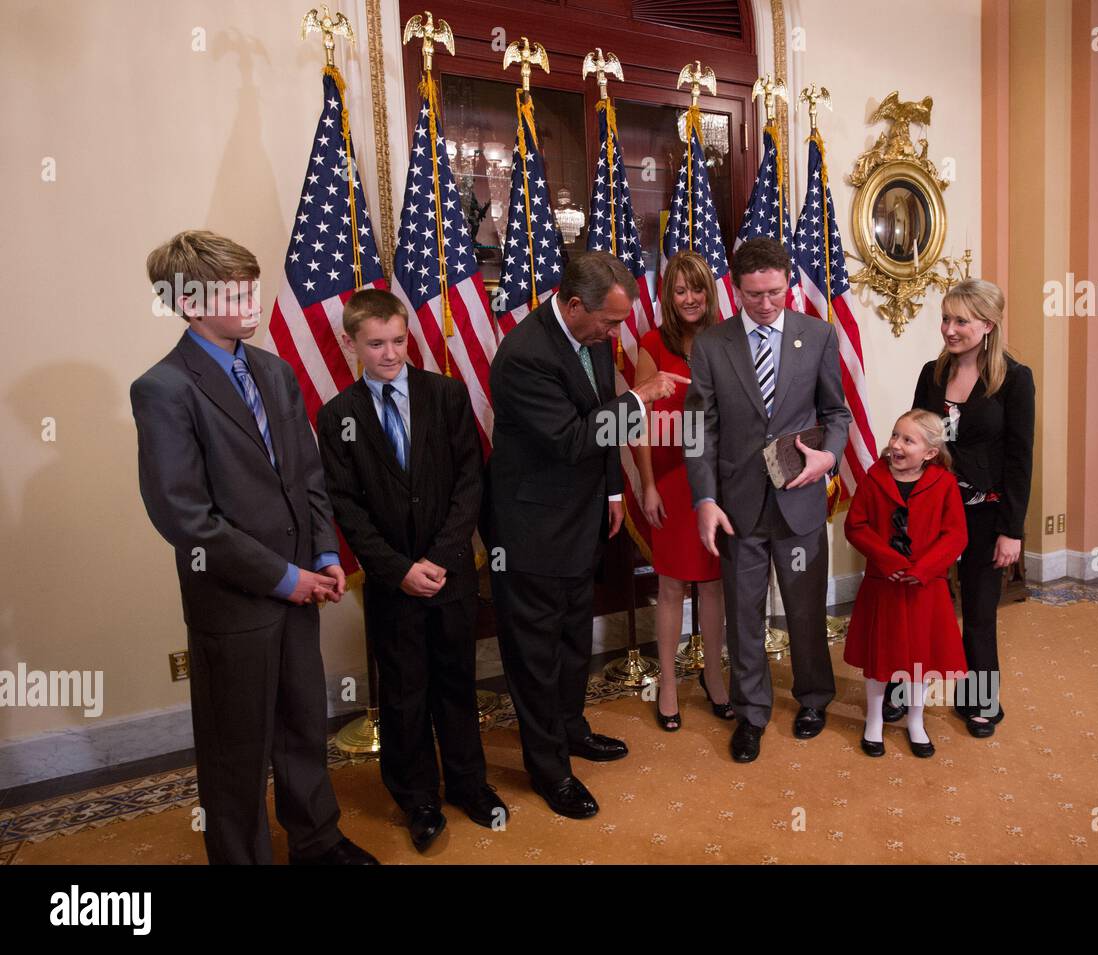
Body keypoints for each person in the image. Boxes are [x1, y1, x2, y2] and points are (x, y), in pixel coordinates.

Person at [130, 230, 376, 865]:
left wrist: (324, 556)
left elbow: (307, 475)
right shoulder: (163, 389)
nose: (252, 300)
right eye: (233, 291)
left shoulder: (273, 368)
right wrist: (281, 577)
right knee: (235, 748)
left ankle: (318, 843)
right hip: (235, 602)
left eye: (252, 284)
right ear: (187, 303)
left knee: (303, 728)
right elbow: (184, 516)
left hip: (301, 584)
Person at [484, 251, 685, 818]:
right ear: (575, 305)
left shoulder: (590, 335)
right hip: (531, 531)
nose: (616, 333)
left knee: (574, 642)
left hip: (584, 519)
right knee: (537, 657)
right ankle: (549, 770)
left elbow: (598, 421)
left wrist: (613, 493)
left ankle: (572, 730)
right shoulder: (523, 355)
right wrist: (639, 399)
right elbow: (573, 438)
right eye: (611, 322)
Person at [316, 289, 505, 853]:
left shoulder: (445, 396)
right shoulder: (339, 417)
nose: (390, 353)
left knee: (456, 683)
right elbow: (345, 504)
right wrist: (398, 570)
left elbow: (469, 481)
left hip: (449, 575)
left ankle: (470, 783)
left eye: (398, 340)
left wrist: (441, 558)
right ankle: (417, 797)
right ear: (351, 344)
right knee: (403, 693)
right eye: (376, 344)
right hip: (391, 583)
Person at [685, 236, 851, 763]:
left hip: (798, 497)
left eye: (775, 292)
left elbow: (837, 414)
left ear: (790, 285)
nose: (766, 304)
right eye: (754, 295)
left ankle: (813, 698)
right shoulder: (712, 345)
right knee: (745, 614)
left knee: (805, 608)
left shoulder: (818, 335)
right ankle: (751, 713)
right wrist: (705, 499)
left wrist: (831, 458)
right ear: (735, 290)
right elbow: (697, 429)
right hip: (738, 507)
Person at [909, 278, 1035, 738]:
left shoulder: (1015, 379)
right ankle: (915, 694)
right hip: (934, 512)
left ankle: (981, 701)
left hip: (987, 514)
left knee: (980, 611)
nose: (949, 329)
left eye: (961, 320)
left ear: (988, 324)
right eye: (946, 318)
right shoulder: (931, 373)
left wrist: (1012, 530)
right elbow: (918, 440)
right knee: (927, 606)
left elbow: (1021, 458)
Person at [632, 251, 731, 731]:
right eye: (679, 290)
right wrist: (648, 485)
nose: (689, 298)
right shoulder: (651, 342)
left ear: (708, 292)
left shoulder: (727, 337)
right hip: (670, 480)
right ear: (668, 296)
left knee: (713, 585)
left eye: (697, 288)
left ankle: (715, 676)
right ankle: (668, 683)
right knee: (671, 585)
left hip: (715, 481)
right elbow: (638, 422)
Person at [843, 410, 968, 758]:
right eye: (895, 435)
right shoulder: (874, 476)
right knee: (880, 657)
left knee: (919, 660)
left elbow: (955, 535)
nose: (896, 445)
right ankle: (874, 722)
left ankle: (916, 720)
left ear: (929, 452)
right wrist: (890, 560)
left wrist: (923, 569)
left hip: (924, 589)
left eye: (907, 440)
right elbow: (856, 526)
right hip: (884, 584)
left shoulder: (944, 484)